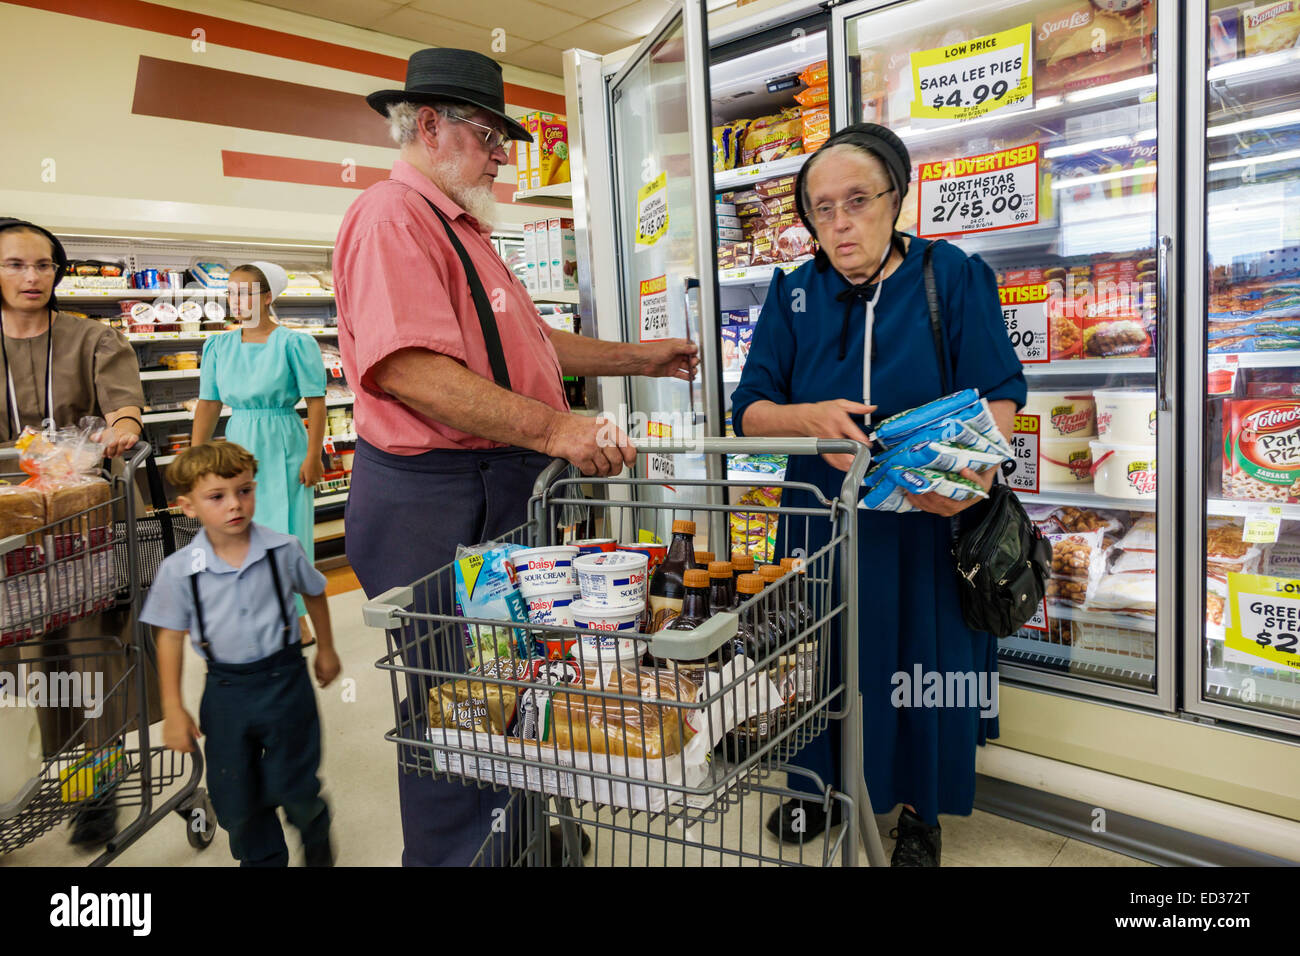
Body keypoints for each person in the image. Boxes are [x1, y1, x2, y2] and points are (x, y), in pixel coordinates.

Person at [336, 47, 698, 867]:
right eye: (490, 133)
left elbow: (529, 343)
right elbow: (410, 370)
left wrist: (639, 359)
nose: (504, 153)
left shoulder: (462, 226)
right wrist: (556, 432)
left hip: (492, 489)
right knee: (456, 711)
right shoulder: (393, 217)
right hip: (434, 499)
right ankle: (460, 856)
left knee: (512, 687)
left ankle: (518, 842)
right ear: (429, 125)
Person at [730, 123, 1026, 867]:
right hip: (820, 530)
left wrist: (971, 479)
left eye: (856, 200)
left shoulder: (949, 274)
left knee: (926, 665)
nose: (838, 221)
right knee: (813, 658)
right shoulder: (792, 293)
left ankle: (920, 815)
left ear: (896, 198)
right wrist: (809, 419)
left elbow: (999, 391)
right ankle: (814, 785)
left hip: (927, 528)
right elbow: (751, 412)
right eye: (820, 207)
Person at [0, 217, 150, 848]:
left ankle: (101, 783)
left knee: (93, 645)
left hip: (87, 519)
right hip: (12, 531)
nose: (32, 278)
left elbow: (124, 402)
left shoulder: (92, 337)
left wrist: (122, 426)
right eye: (15, 264)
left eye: (43, 265)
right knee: (29, 658)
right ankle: (49, 777)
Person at [141, 441, 341, 867]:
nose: (235, 504)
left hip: (286, 683)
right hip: (226, 689)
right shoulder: (179, 570)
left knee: (296, 784)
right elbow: (170, 638)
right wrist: (173, 707)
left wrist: (326, 648)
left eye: (244, 490)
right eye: (217, 496)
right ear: (188, 506)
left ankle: (314, 830)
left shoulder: (282, 549)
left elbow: (316, 592)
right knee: (235, 797)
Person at [191, 262, 327, 643]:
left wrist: (313, 456)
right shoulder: (217, 345)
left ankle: (297, 617)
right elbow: (208, 404)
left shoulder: (295, 343)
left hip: (284, 440)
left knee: (287, 530)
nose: (237, 300)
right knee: (240, 531)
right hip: (238, 442)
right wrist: (194, 458)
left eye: (246, 292)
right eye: (232, 292)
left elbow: (316, 403)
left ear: (267, 298)